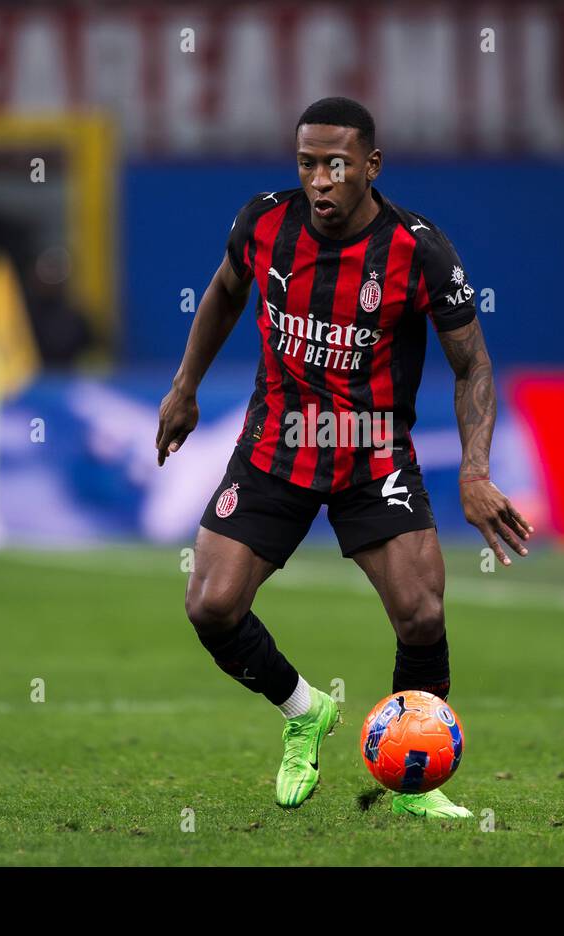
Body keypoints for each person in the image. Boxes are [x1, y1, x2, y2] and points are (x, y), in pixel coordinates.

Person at [155, 97, 532, 819]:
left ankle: (417, 786)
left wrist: (476, 473)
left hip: (373, 456)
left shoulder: (421, 251)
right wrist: (185, 387)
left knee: (421, 615)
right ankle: (304, 711)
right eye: (307, 165)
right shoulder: (263, 223)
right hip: (276, 445)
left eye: (336, 165)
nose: (320, 181)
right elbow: (225, 292)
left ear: (371, 165)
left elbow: (474, 366)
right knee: (211, 604)